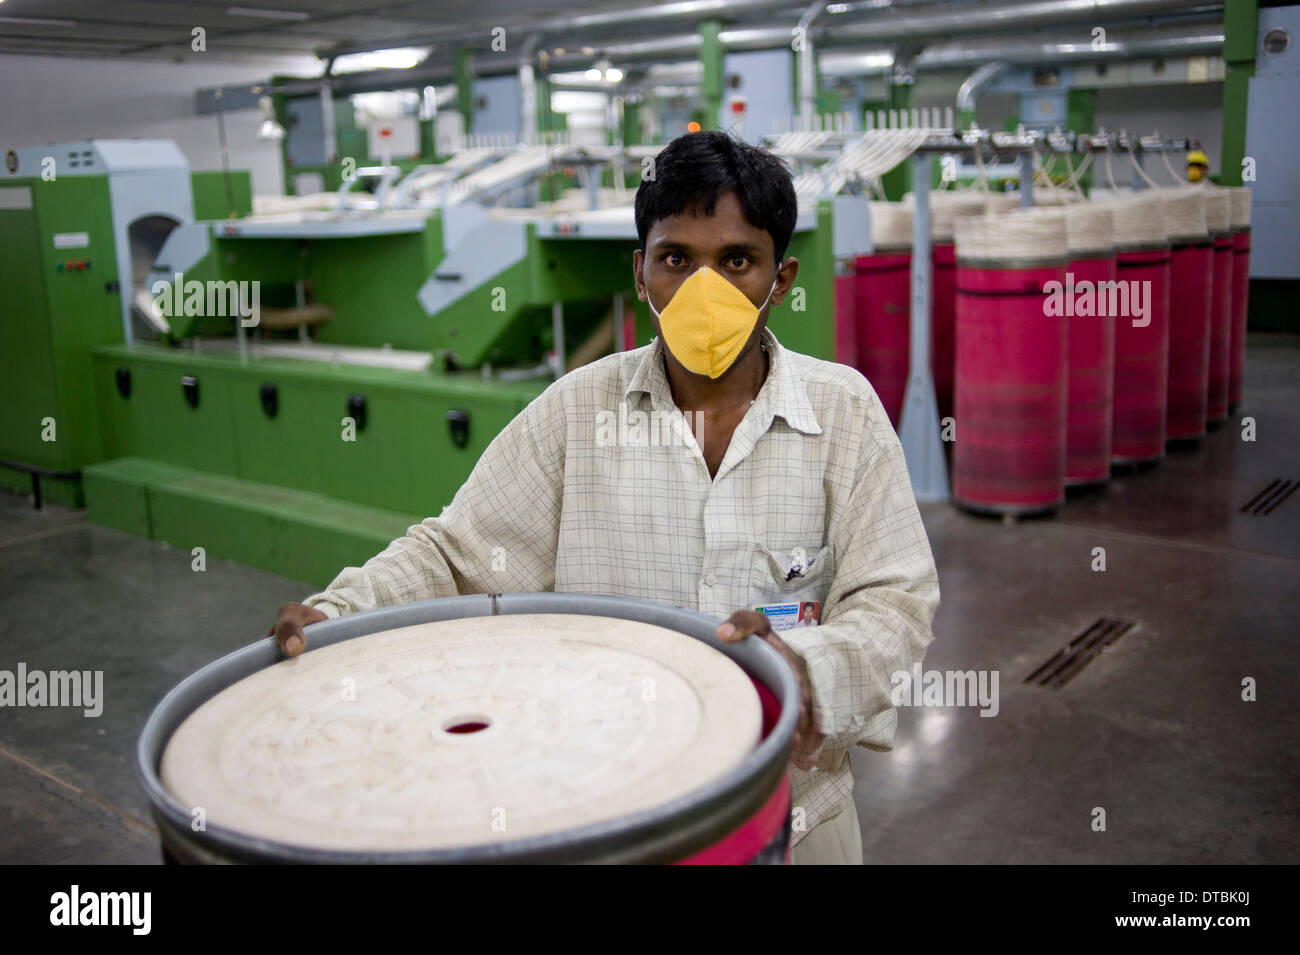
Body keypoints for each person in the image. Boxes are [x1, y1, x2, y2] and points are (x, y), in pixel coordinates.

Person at [269, 130, 940, 865]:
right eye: (676, 258)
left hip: (796, 822)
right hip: (614, 823)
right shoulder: (576, 413)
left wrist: (804, 671)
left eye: (737, 261)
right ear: (640, 272)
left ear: (781, 279)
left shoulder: (843, 413)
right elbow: (455, 556)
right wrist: (338, 616)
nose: (703, 290)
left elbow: (895, 605)